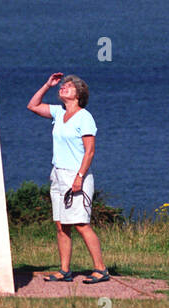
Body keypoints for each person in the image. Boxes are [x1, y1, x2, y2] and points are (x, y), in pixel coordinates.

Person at [26, 72, 109, 283]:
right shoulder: (58, 112)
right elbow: (33, 105)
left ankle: (100, 269)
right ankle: (64, 271)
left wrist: (80, 177)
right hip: (58, 174)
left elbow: (89, 151)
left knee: (81, 223)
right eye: (62, 86)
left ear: (79, 94)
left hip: (76, 175)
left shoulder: (85, 117)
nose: (63, 88)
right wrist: (47, 84)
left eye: (69, 86)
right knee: (62, 224)